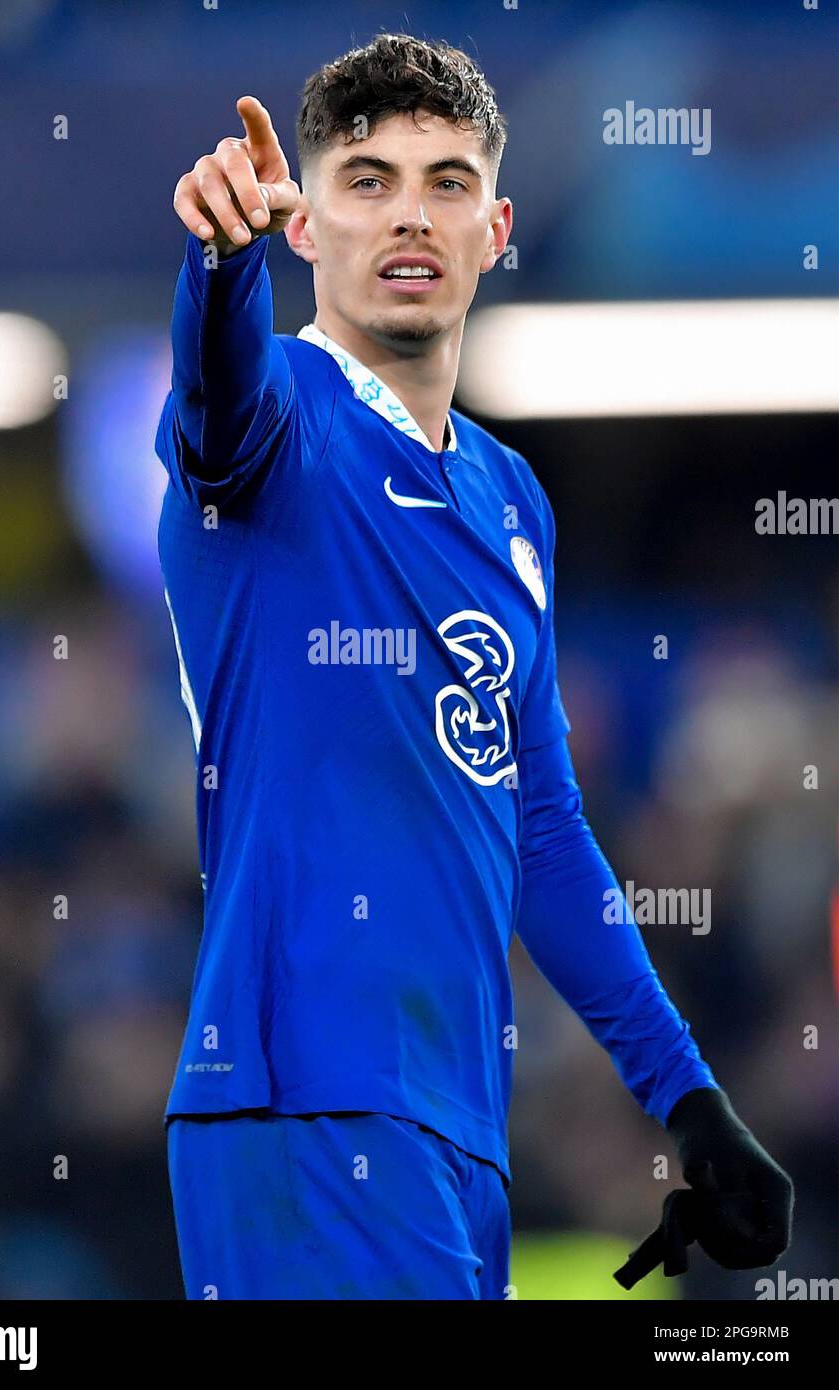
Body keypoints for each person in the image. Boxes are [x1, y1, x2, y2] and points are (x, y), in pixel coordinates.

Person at [155, 34, 792, 1300]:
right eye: (366, 178)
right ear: (302, 223)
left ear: (496, 227)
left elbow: (542, 830)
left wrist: (689, 1098)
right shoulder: (280, 417)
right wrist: (215, 263)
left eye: (445, 182)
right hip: (304, 1106)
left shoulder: (510, 501)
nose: (408, 213)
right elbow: (217, 403)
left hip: (454, 1131)